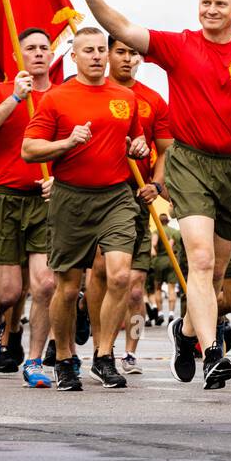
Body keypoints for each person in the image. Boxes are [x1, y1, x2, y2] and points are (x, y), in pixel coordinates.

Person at [71, 0, 231, 392]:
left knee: (218, 275)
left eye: (220, 4)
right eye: (205, 2)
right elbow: (124, 28)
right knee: (201, 260)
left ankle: (186, 332)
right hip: (190, 163)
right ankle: (213, 354)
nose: (211, 9)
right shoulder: (179, 45)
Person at [22, 27, 151, 390]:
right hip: (71, 198)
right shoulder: (56, 99)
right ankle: (64, 358)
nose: (96, 56)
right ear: (74, 57)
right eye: (88, 51)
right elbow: (29, 149)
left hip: (116, 197)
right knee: (66, 287)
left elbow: (135, 139)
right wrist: (66, 143)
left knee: (121, 276)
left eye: (100, 50)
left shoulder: (125, 97)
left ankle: (104, 355)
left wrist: (138, 147)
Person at [0, 27, 58, 383]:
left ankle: (34, 361)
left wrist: (59, 178)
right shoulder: (1, 91)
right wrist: (15, 99)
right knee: (9, 291)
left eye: (43, 48)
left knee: (46, 284)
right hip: (2, 197)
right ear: (18, 56)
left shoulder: (61, 95)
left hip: (45, 199)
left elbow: (73, 145)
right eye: (30, 48)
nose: (37, 53)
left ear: (52, 55)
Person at [92, 36, 173, 377]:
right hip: (98, 194)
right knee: (101, 274)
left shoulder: (153, 100)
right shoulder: (92, 92)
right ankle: (101, 348)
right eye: (120, 52)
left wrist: (157, 184)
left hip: (137, 196)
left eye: (133, 53)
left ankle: (129, 352)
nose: (127, 59)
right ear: (108, 54)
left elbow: (166, 150)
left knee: (135, 287)